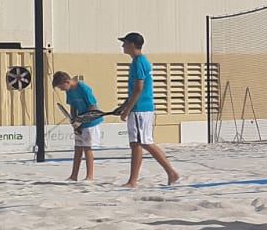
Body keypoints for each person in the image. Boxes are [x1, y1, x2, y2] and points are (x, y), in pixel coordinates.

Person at [116, 32, 180, 187]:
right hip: (140, 108)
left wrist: (127, 109)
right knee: (138, 144)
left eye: (125, 43)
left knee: (143, 143)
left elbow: (139, 89)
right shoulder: (139, 61)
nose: (123, 46)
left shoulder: (139, 62)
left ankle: (169, 173)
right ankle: (135, 180)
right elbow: (135, 90)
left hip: (140, 109)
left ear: (132, 44)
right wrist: (124, 106)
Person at [54, 71, 103, 181]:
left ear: (67, 82)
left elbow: (93, 107)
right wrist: (74, 120)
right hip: (80, 121)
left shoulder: (83, 88)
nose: (61, 90)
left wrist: (81, 121)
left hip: (91, 121)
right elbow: (73, 107)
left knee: (87, 148)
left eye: (61, 87)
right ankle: (74, 176)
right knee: (78, 148)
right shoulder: (69, 91)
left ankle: (89, 176)